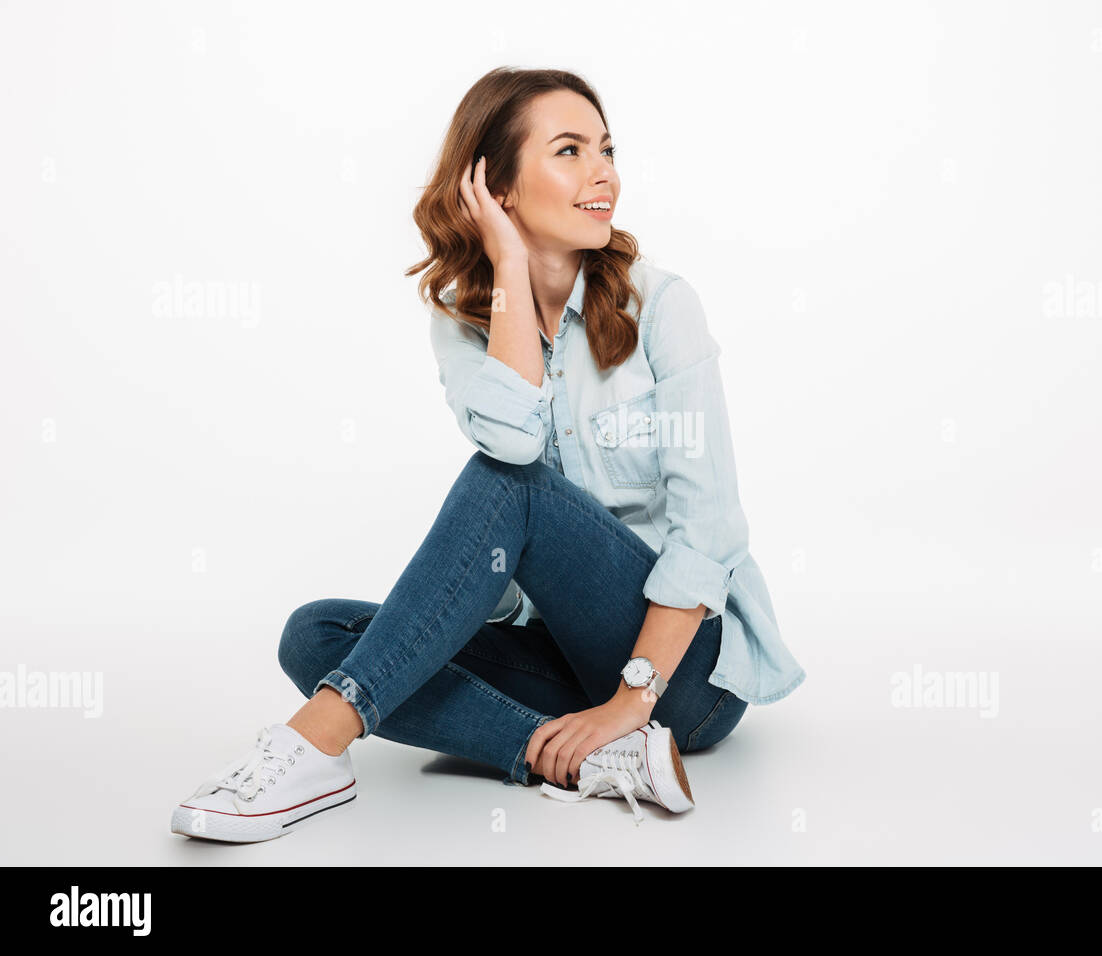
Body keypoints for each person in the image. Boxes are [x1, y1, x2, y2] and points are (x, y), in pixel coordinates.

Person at [170, 67, 804, 842]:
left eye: (607, 149)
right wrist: (508, 269)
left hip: (684, 680)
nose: (603, 172)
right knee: (316, 636)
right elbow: (513, 434)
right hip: (568, 662)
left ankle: (310, 746)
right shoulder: (464, 318)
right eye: (569, 151)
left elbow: (707, 529)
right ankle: (587, 763)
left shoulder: (664, 306)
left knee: (511, 486)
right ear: (496, 188)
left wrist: (630, 700)